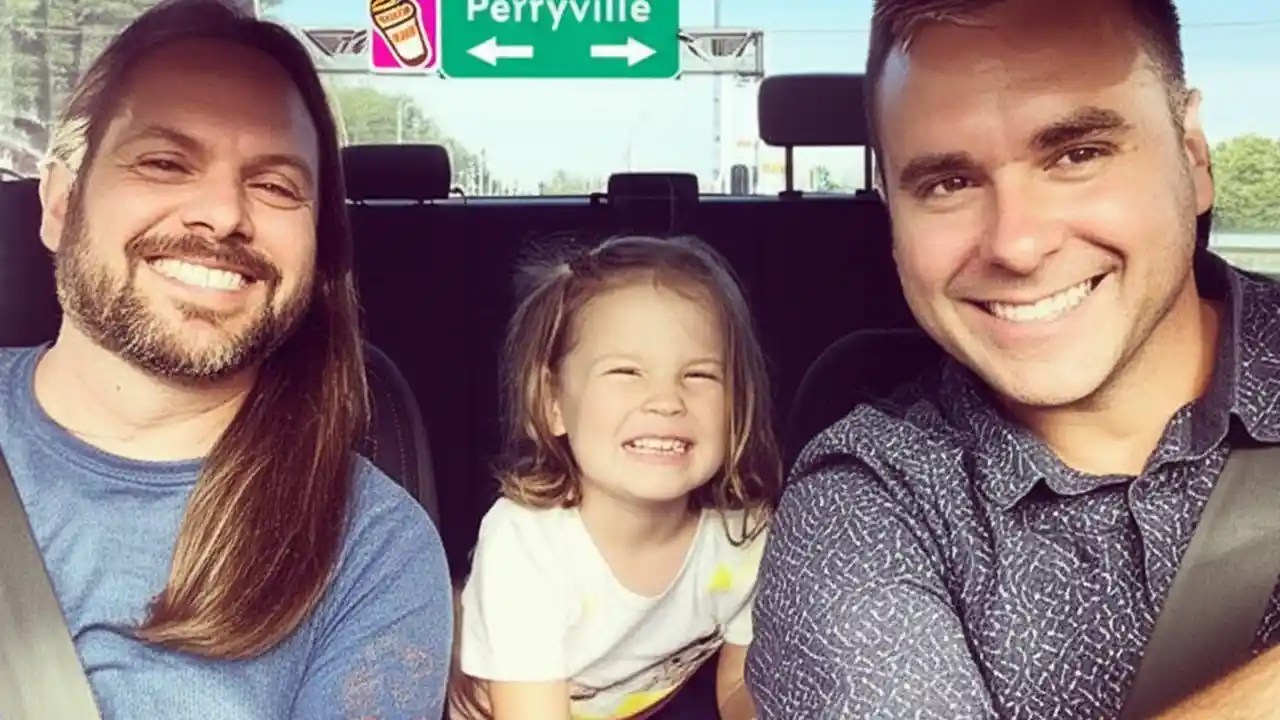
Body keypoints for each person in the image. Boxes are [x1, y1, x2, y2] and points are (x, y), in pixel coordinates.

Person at [746, 0, 1280, 717]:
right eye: (949, 184)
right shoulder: (858, 510)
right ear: (893, 217)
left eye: (1078, 155)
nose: (1017, 246)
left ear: (1193, 156)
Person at [0, 0, 451, 717]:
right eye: (164, 162)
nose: (222, 214)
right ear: (60, 204)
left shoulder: (371, 549)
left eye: (275, 185)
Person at [448, 235, 781, 720]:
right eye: (626, 372)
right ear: (552, 402)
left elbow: (737, 690)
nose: (666, 401)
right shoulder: (526, 545)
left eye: (700, 375)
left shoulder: (743, 538)